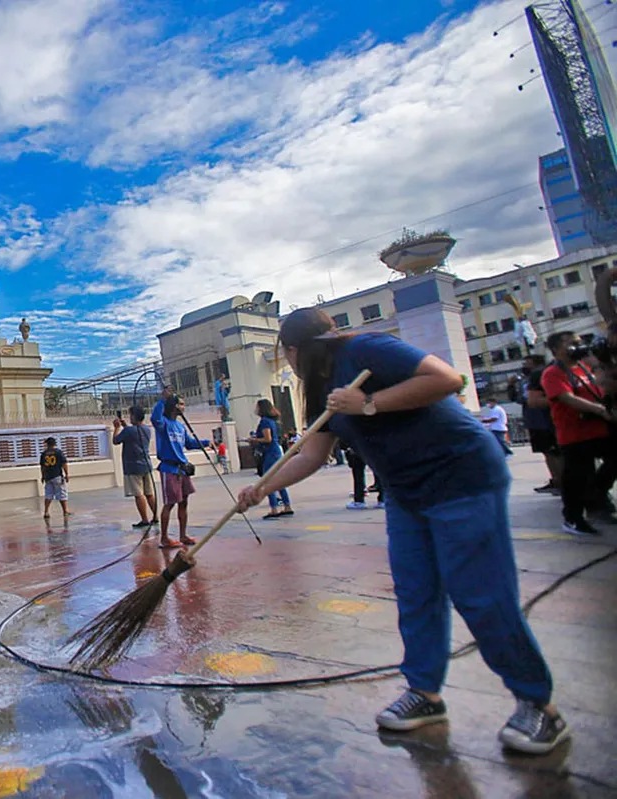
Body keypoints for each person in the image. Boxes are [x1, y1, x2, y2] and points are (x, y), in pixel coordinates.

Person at [235, 307, 568, 755]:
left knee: (480, 594)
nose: (288, 362)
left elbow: (448, 380)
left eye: (286, 354)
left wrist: (370, 404)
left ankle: (538, 704)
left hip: (460, 478)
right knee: (416, 592)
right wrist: (261, 488)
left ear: (293, 349)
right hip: (406, 492)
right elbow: (310, 455)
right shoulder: (318, 391)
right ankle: (425, 693)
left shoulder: (367, 348)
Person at [540, 330, 617, 536]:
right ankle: (573, 519)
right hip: (575, 435)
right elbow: (566, 397)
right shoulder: (552, 373)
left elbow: (602, 388)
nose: (578, 345)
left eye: (578, 341)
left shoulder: (585, 366)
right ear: (556, 349)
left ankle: (596, 495)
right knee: (576, 480)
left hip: (598, 430)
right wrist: (600, 410)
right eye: (571, 343)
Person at [151, 390, 212, 548]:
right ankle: (164, 538)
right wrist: (163, 400)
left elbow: (190, 443)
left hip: (182, 469)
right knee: (170, 504)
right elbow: (154, 419)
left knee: (184, 503)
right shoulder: (164, 423)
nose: (183, 407)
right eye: (181, 404)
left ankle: (183, 535)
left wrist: (206, 442)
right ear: (174, 406)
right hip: (169, 469)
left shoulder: (180, 426)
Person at [519, 355, 562, 494]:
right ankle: (556, 480)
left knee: (554, 453)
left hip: (544, 420)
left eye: (527, 363)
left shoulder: (543, 375)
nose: (524, 366)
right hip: (534, 421)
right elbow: (521, 398)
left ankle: (562, 482)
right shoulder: (526, 380)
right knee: (547, 453)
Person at [248, 399, 294, 519]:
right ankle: (287, 505)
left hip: (270, 453)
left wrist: (254, 440)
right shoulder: (272, 421)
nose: (255, 409)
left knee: (267, 480)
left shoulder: (264, 421)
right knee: (278, 480)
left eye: (257, 407)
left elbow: (267, 439)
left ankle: (274, 508)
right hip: (276, 452)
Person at [113, 406, 157, 528]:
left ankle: (144, 519)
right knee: (149, 493)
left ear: (134, 416)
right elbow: (135, 436)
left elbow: (116, 441)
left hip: (133, 466)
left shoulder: (129, 431)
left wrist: (116, 428)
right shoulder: (146, 429)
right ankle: (155, 516)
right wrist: (126, 426)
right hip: (146, 464)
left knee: (139, 494)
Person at [344, 441, 383, 509]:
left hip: (359, 444)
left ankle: (359, 499)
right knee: (378, 470)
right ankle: (382, 498)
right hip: (375, 444)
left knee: (358, 471)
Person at [40, 437, 70, 520]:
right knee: (62, 494)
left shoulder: (44, 454)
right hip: (57, 476)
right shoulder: (58, 452)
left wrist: (42, 476)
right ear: (54, 444)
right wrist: (67, 474)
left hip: (48, 477)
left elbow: (42, 466)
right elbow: (64, 464)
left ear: (47, 444)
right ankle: (65, 511)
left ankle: (46, 512)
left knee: (48, 495)